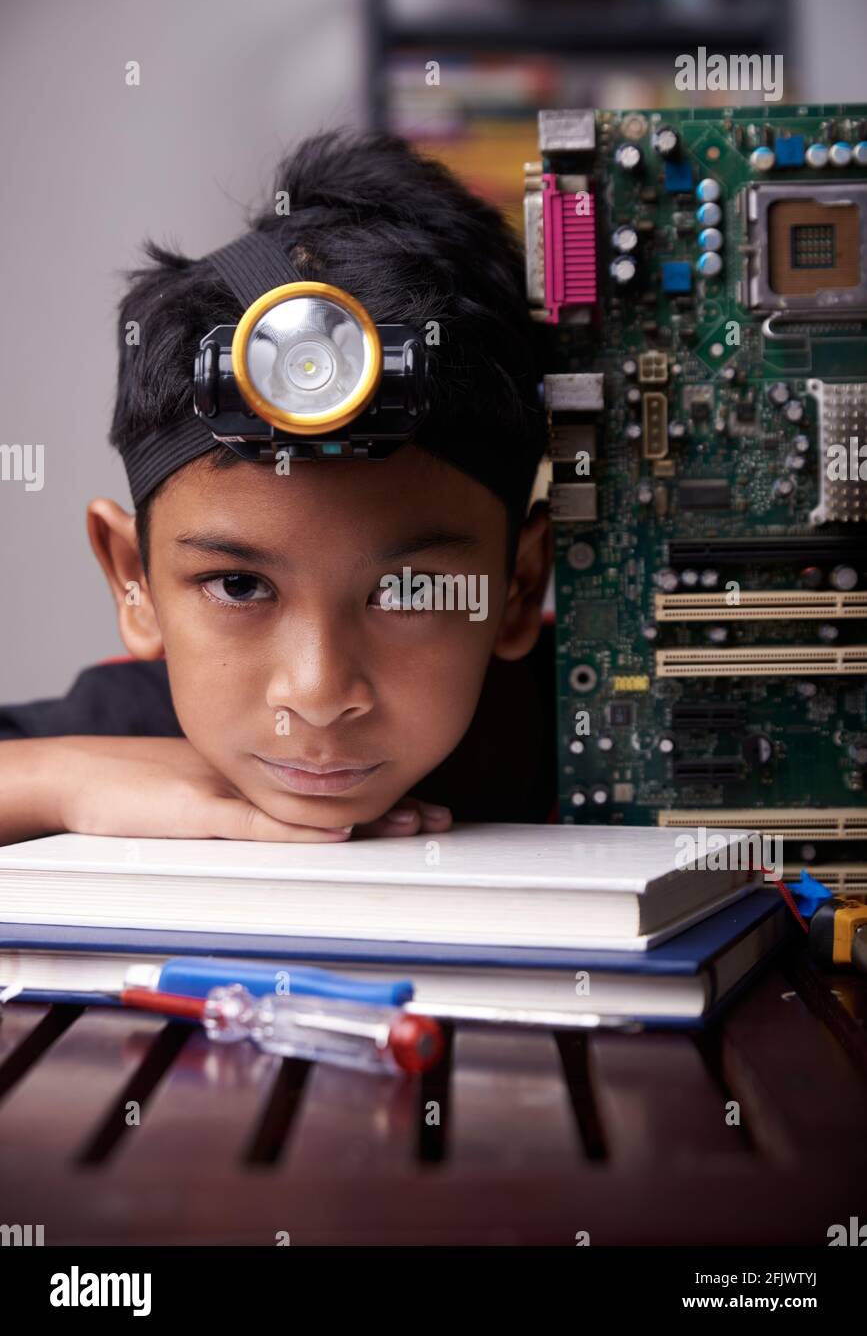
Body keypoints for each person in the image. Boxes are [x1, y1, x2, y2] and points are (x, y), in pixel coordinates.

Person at [0, 130, 555, 846]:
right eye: (238, 586)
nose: (317, 696)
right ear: (134, 579)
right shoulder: (115, 733)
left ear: (519, 587)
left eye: (410, 592)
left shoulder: (615, 721)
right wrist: (56, 780)